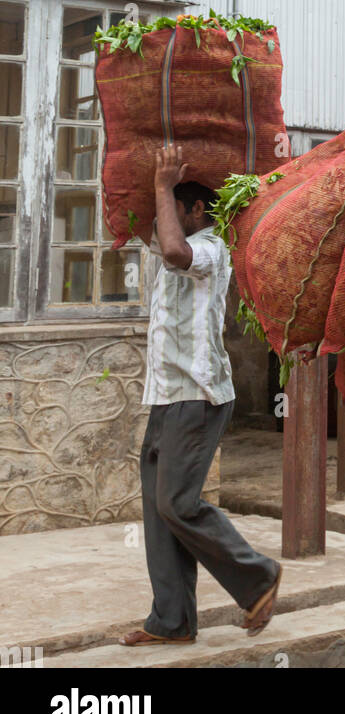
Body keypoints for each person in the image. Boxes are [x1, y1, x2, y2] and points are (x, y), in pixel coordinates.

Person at [121, 143, 282, 646]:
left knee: (177, 502)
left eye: (174, 207)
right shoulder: (171, 240)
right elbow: (158, 240)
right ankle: (171, 622)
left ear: (195, 210)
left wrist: (163, 184)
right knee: (158, 511)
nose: (167, 219)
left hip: (200, 393)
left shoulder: (212, 248)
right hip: (167, 394)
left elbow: (173, 251)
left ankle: (258, 577)